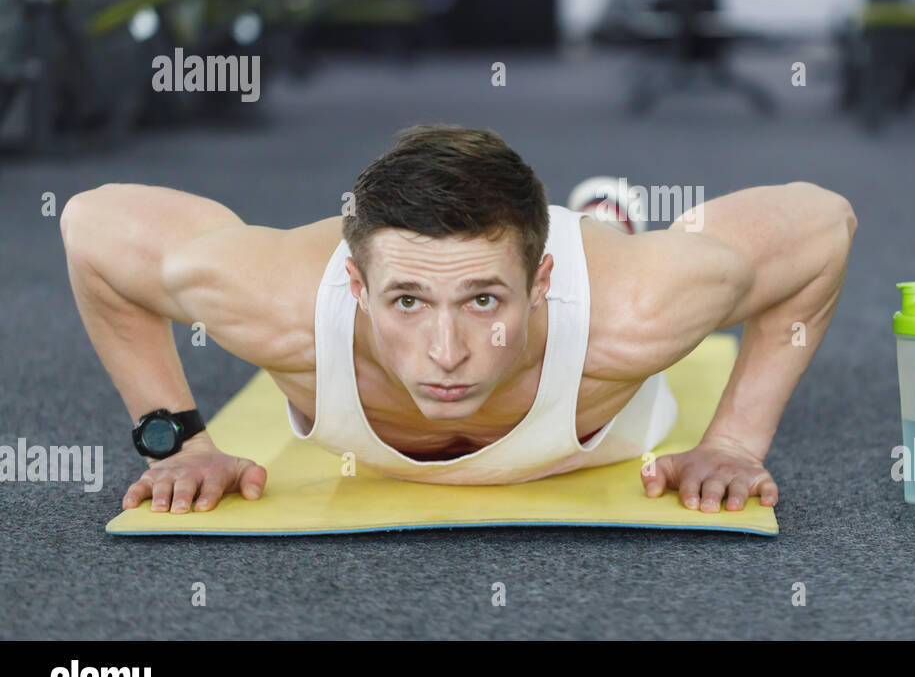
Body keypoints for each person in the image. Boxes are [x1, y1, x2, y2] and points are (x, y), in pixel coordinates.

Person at [61, 124, 857, 516]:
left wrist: (732, 443)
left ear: (541, 284)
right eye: (408, 301)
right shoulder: (280, 307)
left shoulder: (637, 309)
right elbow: (93, 227)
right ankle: (588, 214)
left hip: (599, 286)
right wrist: (175, 438)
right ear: (357, 285)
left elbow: (823, 224)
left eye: (484, 301)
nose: (447, 354)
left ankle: (598, 217)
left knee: (614, 240)